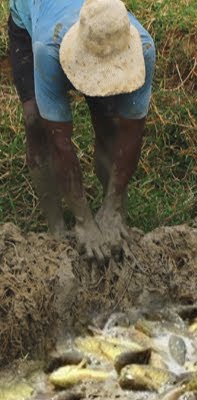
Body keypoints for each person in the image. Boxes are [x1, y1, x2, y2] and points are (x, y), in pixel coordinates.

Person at [8, 0, 156, 261]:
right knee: (35, 122)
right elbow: (59, 142)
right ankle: (56, 231)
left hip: (90, 33)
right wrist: (83, 220)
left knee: (108, 123)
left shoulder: (143, 49)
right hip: (36, 20)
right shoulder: (47, 49)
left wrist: (113, 205)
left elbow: (132, 131)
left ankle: (114, 214)